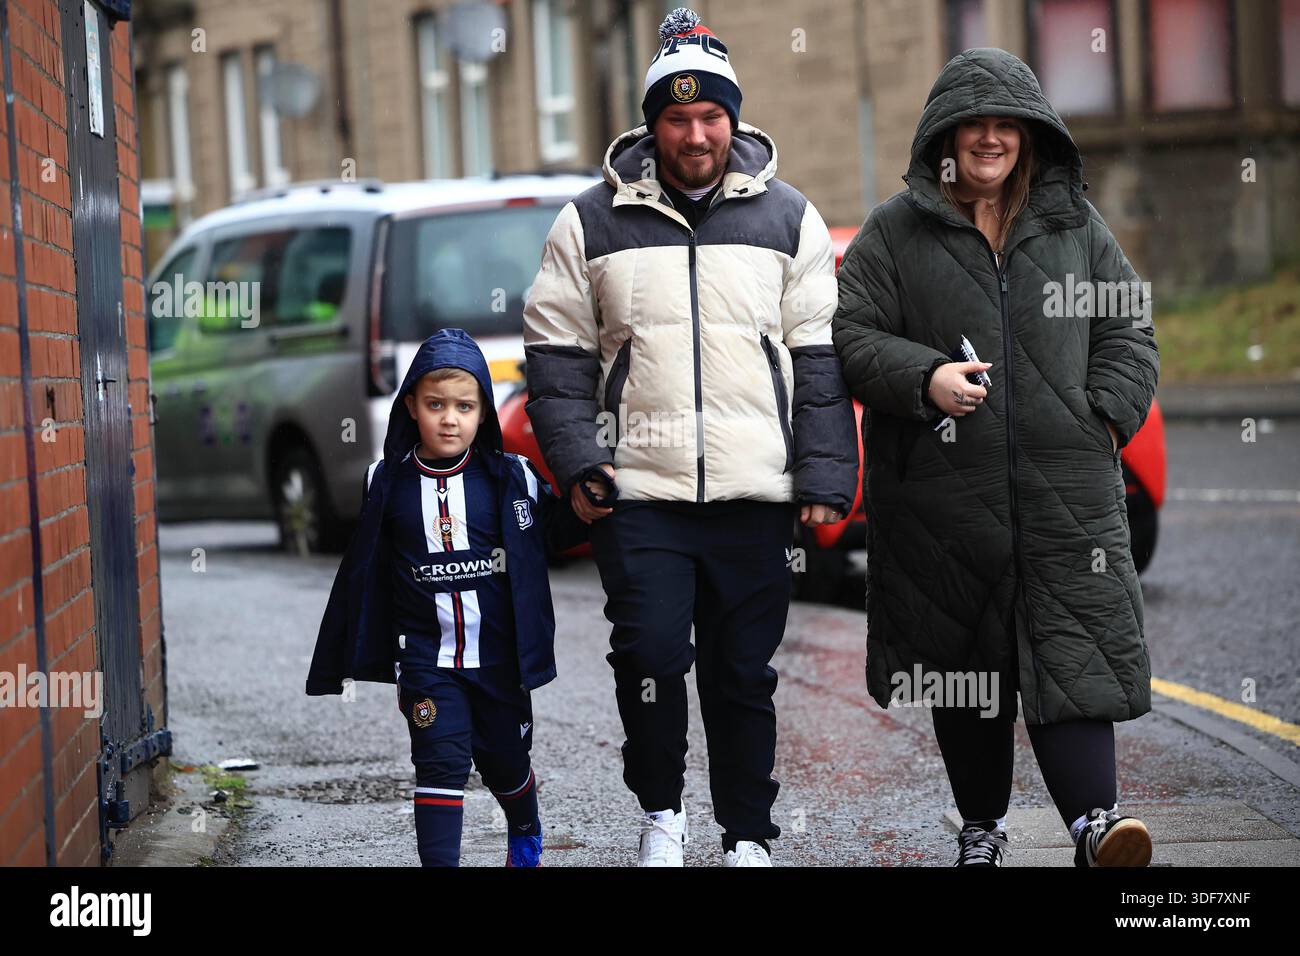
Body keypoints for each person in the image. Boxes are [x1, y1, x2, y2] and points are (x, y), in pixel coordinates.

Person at [522, 7, 857, 867]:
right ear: (652, 124)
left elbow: (819, 359)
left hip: (754, 490)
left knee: (743, 674)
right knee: (650, 656)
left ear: (733, 120)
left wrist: (826, 472)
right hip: (640, 491)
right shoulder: (589, 223)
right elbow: (556, 360)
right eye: (678, 118)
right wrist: (577, 462)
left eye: (712, 116)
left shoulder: (790, 219)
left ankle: (747, 834)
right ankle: (662, 814)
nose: (697, 133)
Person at [832, 48, 1159, 867]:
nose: (988, 138)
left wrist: (1100, 421)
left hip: (1066, 501)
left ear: (1029, 133)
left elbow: (1128, 328)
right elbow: (849, 337)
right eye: (971, 123)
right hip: (944, 502)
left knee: (1071, 653)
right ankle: (981, 828)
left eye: (1004, 123)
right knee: (967, 672)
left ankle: (1095, 825)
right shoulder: (895, 234)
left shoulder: (1073, 225)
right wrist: (924, 376)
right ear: (943, 135)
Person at [305, 328, 586, 866]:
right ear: (411, 405)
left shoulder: (513, 479)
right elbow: (363, 570)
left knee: (504, 762)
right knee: (439, 763)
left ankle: (525, 826)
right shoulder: (383, 482)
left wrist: (592, 500)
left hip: (500, 662)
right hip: (427, 662)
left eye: (464, 405)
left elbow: (556, 533)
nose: (449, 418)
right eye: (435, 405)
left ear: (484, 410)